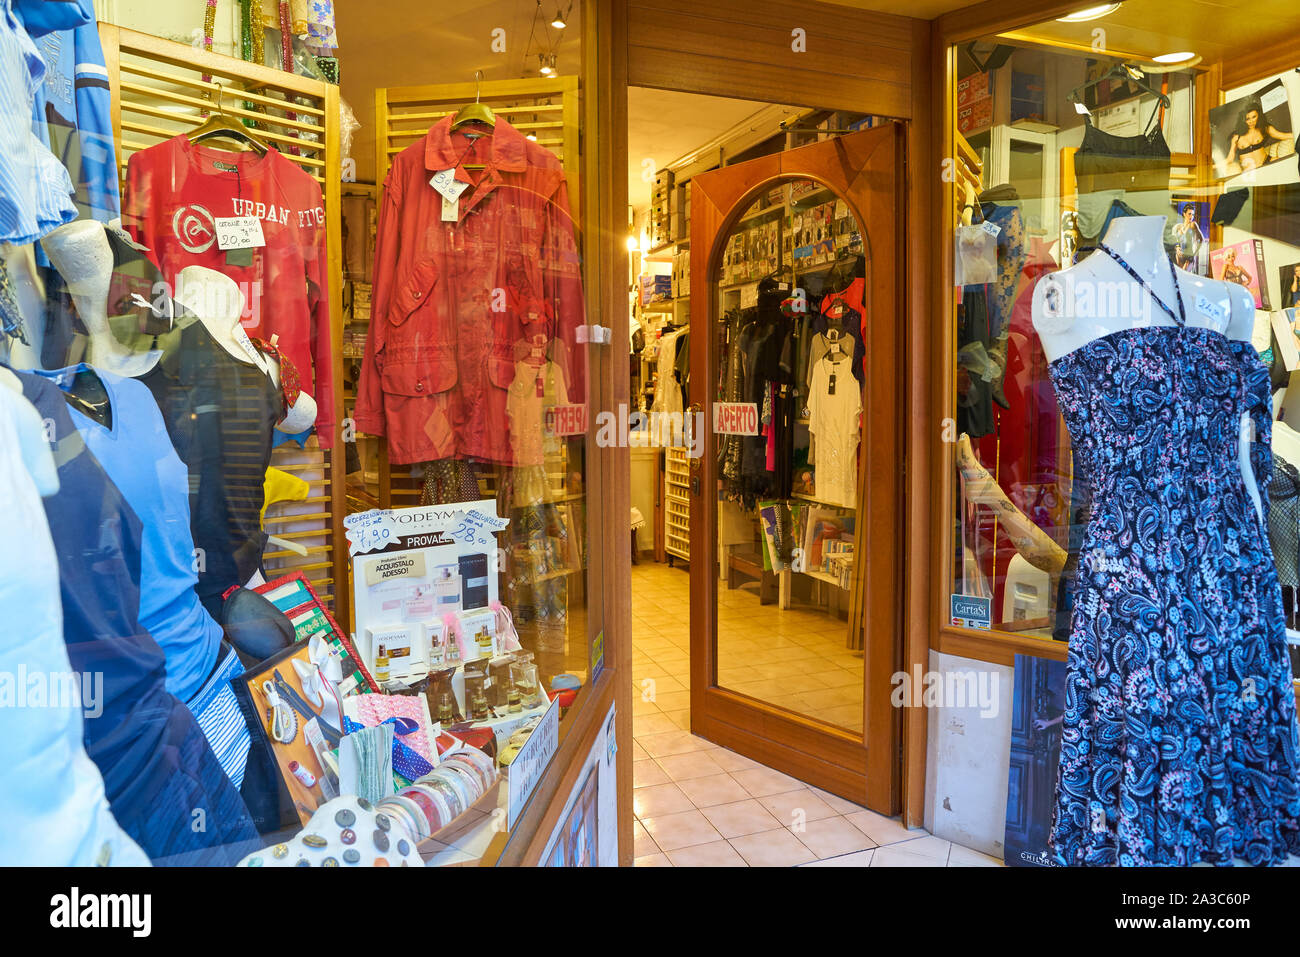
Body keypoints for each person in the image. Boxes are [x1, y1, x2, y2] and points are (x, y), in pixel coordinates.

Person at [1224, 99, 1291, 173]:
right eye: (1247, 119)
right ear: (1243, 120)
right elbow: (1230, 158)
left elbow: (1283, 135)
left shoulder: (1264, 128)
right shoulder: (1237, 137)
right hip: (1249, 171)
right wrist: (1212, 166)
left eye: (1254, 117)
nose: (1251, 121)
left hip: (1267, 162)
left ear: (1258, 116)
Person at [1171, 203, 1204, 270]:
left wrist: (1195, 254)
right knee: (1179, 276)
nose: (1191, 216)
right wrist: (1177, 248)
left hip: (1189, 257)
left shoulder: (1193, 224)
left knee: (1184, 275)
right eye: (1189, 214)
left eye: (1193, 214)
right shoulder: (1178, 227)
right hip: (1179, 256)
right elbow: (1173, 241)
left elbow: (1202, 240)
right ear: (1184, 214)